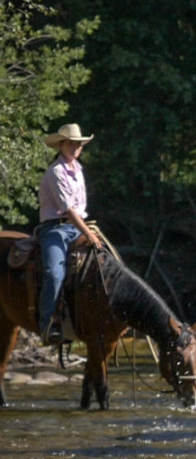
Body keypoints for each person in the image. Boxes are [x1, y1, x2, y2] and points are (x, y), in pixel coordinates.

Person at [38, 123, 103, 345]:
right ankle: (46, 323)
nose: (75, 147)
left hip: (77, 227)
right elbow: (69, 210)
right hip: (55, 228)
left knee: (105, 264)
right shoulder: (55, 171)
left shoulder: (79, 170)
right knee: (54, 273)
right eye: (71, 143)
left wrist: (88, 230)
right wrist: (90, 234)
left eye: (78, 144)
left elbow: (79, 209)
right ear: (62, 145)